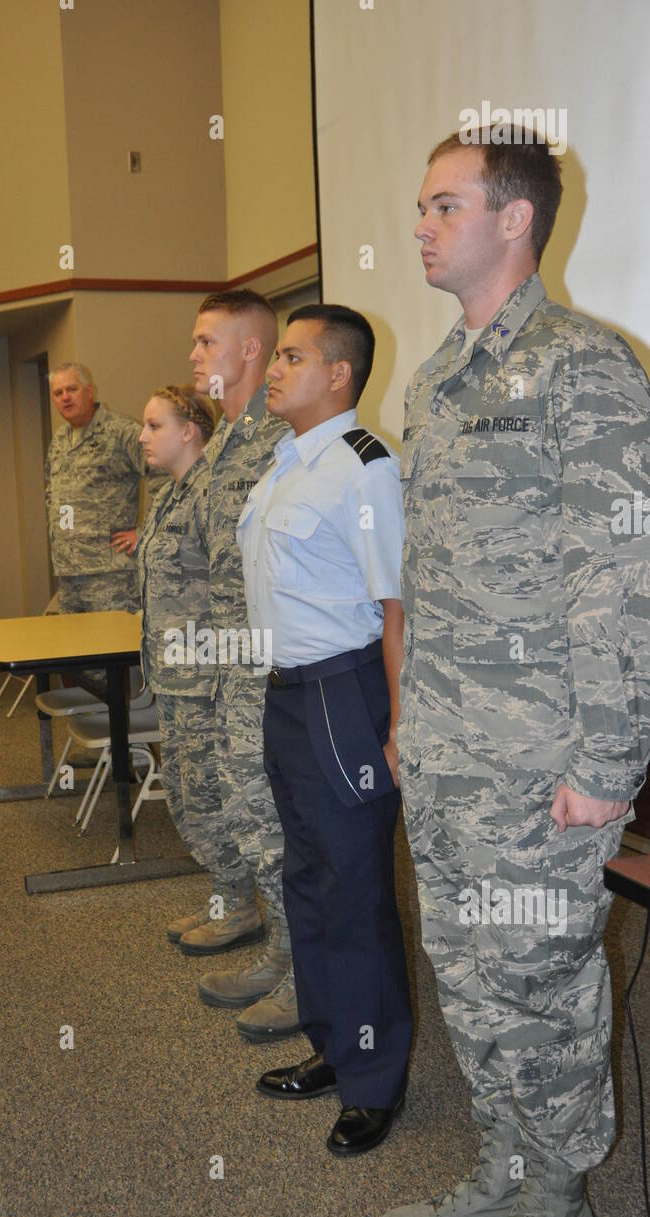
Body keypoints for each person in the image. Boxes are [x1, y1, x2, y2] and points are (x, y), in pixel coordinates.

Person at [380, 127, 650, 1217]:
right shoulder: (432, 382)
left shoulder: (585, 369)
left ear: (513, 220)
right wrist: (407, 720)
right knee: (469, 974)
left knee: (540, 985)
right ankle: (503, 1164)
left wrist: (605, 759)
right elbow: (427, 576)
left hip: (543, 763)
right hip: (447, 753)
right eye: (421, 206)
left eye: (444, 204)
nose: (421, 224)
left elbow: (620, 574)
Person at [239, 305, 412, 1155]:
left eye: (292, 356)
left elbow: (397, 611)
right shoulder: (283, 466)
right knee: (308, 880)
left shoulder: (364, 470)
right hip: (287, 697)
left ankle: (374, 1079)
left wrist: (399, 727)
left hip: (343, 696)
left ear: (338, 375)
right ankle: (332, 1049)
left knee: (354, 889)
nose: (274, 369)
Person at [184, 290, 300, 1042]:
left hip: (268, 673)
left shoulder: (279, 439)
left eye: (205, 342)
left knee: (276, 826)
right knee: (250, 822)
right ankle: (280, 956)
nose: (192, 356)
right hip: (229, 667)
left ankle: (299, 975)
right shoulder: (226, 440)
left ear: (249, 351)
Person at [136, 386, 265, 953]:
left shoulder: (210, 492)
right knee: (187, 799)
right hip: (175, 676)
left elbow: (231, 591)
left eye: (153, 425)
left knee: (211, 797)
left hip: (207, 680)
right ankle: (226, 898)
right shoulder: (169, 494)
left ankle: (241, 909)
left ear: (190, 430)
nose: (141, 437)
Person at [45, 363, 155, 614]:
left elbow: (168, 472)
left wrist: (146, 530)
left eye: (71, 389)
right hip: (69, 573)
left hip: (110, 574)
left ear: (89, 391)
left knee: (112, 650)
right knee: (73, 650)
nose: (65, 397)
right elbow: (53, 493)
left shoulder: (121, 432)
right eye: (58, 393)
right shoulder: (60, 440)